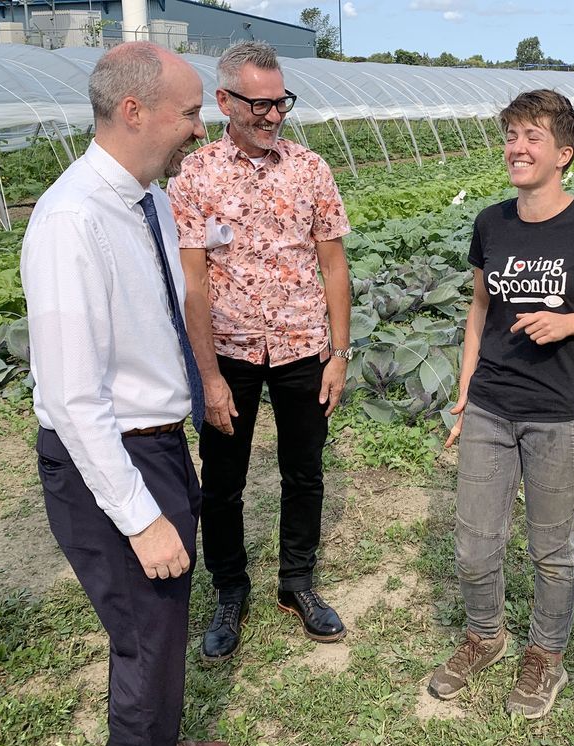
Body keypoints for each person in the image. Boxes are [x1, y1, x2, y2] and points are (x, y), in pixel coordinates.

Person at [21, 43, 227, 746]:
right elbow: (73, 398)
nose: (200, 128)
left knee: (163, 627)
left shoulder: (150, 203)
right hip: (111, 458)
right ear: (134, 111)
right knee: (145, 635)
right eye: (190, 113)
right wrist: (140, 519)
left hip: (157, 444)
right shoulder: (70, 220)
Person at [427, 90, 574, 719]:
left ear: (564, 153)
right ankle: (485, 636)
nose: (517, 147)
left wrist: (571, 323)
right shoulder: (491, 223)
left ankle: (545, 656)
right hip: (491, 406)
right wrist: (465, 389)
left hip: (562, 414)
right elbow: (480, 309)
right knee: (474, 542)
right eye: (510, 135)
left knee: (552, 549)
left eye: (532, 136)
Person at [169, 41, 351, 663]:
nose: (273, 116)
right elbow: (194, 284)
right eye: (260, 104)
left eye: (281, 103)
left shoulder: (310, 169)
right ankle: (230, 589)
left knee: (305, 471)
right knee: (223, 480)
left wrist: (339, 353)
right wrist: (208, 376)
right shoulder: (195, 176)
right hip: (230, 352)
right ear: (224, 101)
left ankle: (297, 582)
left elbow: (334, 267)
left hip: (303, 346)